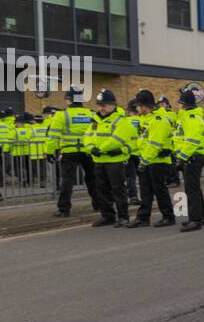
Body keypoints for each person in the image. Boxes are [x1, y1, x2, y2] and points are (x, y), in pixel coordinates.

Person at [125, 89, 177, 228]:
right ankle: (143, 218)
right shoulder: (144, 119)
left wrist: (144, 161)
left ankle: (168, 216)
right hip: (147, 159)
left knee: (159, 190)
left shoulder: (158, 121)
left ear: (144, 106)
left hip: (158, 161)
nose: (136, 108)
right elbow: (142, 142)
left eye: (138, 106)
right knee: (145, 190)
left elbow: (154, 144)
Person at [47, 86, 101, 217]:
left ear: (69, 100)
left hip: (70, 152)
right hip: (88, 151)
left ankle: (64, 209)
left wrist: (49, 151)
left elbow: (53, 135)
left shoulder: (62, 115)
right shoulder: (92, 114)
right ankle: (99, 205)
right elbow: (98, 133)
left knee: (67, 180)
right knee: (93, 179)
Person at [86, 89, 137, 227]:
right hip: (99, 160)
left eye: (105, 104)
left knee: (118, 189)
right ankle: (108, 216)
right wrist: (91, 148)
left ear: (113, 105)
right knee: (101, 190)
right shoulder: (95, 121)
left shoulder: (121, 121)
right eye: (99, 104)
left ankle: (123, 217)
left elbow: (116, 139)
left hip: (115, 161)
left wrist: (100, 149)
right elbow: (88, 136)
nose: (101, 107)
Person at [173, 84, 204, 231]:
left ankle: (195, 220)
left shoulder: (192, 118)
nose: (179, 106)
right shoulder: (187, 117)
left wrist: (181, 158)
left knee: (191, 189)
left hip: (192, 157)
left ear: (184, 104)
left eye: (181, 104)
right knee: (194, 188)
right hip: (192, 156)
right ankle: (200, 217)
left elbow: (191, 141)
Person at [124, 98, 142, 204]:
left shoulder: (125, 122)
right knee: (144, 177)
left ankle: (133, 197)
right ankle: (148, 196)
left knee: (131, 177)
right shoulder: (143, 121)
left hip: (129, 154)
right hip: (142, 154)